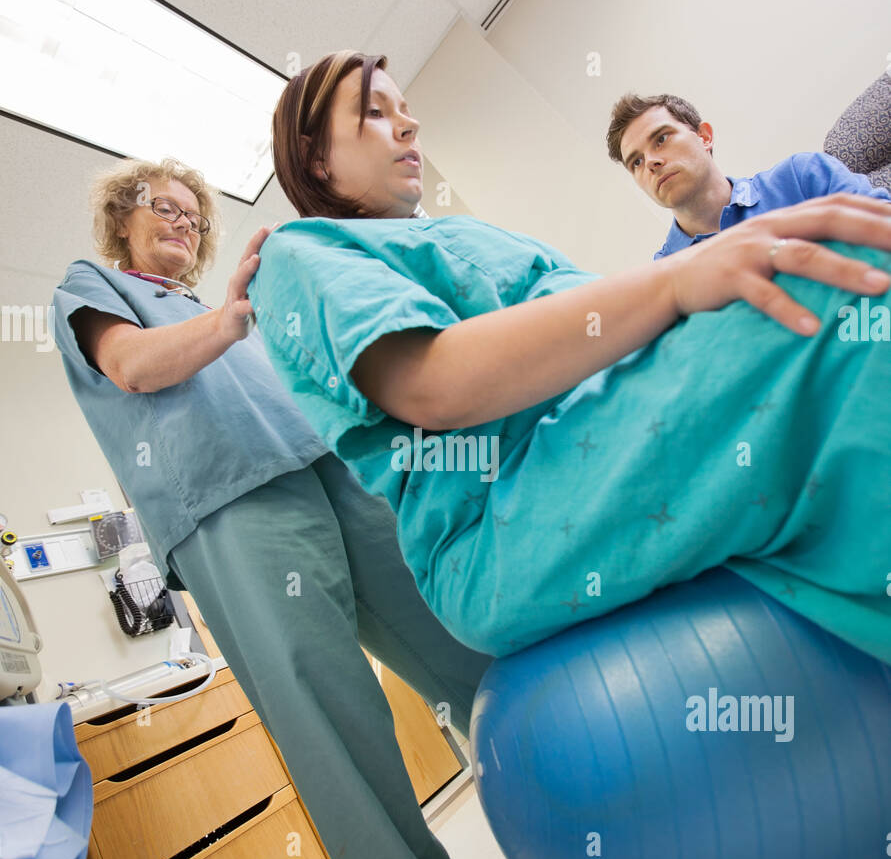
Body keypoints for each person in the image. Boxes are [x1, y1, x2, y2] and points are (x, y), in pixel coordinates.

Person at [51, 158, 539, 859]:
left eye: (193, 216)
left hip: (326, 467)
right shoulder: (96, 290)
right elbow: (133, 368)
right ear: (122, 221)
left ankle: (588, 811)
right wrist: (230, 318)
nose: (181, 224)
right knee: (334, 723)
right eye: (161, 209)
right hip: (228, 506)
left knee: (465, 644)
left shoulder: (223, 313)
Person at [245, 49, 891, 669]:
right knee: (850, 279)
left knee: (840, 269)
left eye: (405, 107)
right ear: (315, 158)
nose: (410, 123)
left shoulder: (452, 233)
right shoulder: (297, 251)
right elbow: (432, 385)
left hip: (592, 425)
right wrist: (677, 281)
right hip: (501, 518)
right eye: (374, 112)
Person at [604, 91, 891, 259]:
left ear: (704, 137)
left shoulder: (803, 177)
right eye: (636, 162)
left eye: (661, 139)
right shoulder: (665, 276)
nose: (651, 162)